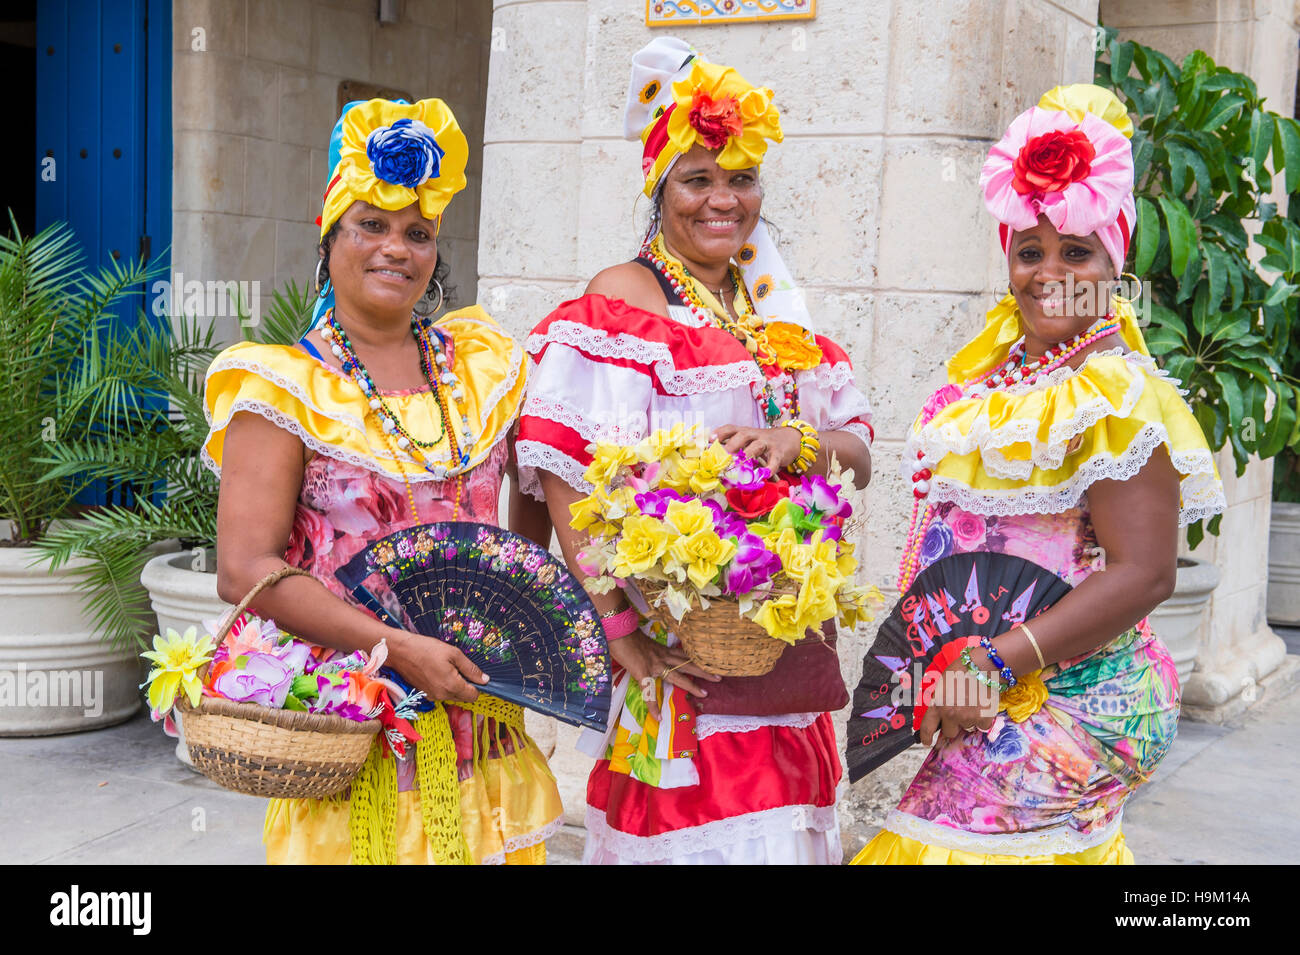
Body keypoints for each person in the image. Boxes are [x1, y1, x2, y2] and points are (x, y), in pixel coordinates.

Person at [516, 37, 875, 864]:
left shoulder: (774, 312)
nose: (723, 200)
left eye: (741, 177)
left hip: (780, 657)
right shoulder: (621, 301)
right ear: (658, 188)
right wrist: (616, 630)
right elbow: (564, 474)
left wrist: (804, 440)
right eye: (697, 178)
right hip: (682, 665)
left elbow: (859, 452)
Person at [852, 85, 1226, 865]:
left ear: (1113, 261)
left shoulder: (1112, 388)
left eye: (1077, 251)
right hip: (1002, 681)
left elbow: (1147, 573)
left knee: (936, 844)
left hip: (1085, 694)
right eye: (1030, 251)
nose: (1050, 273)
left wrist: (987, 663)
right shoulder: (1001, 381)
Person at [203, 97, 563, 864]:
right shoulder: (280, 389)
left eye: (418, 232)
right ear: (329, 232)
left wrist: (530, 605)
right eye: (372, 223)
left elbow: (535, 487)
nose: (396, 248)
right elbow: (245, 570)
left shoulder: (480, 367)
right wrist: (396, 646)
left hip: (480, 717)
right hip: (358, 731)